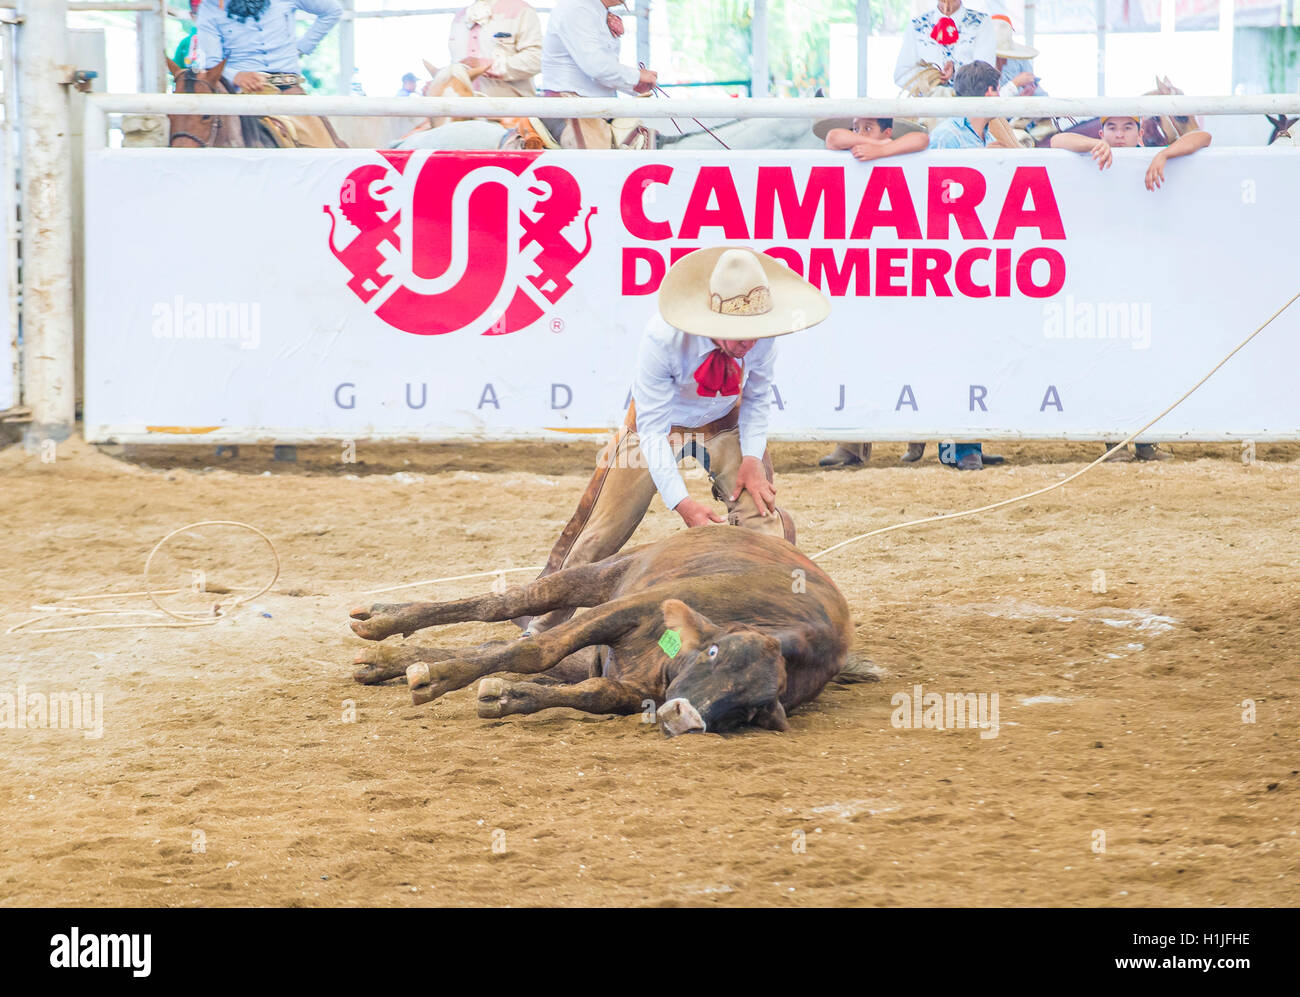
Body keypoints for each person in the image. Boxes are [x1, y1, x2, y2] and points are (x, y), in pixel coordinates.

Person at [519, 248, 830, 635]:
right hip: (659, 426)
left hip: (725, 421)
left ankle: (781, 620)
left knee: (761, 515)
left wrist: (751, 458)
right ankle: (543, 626)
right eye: (741, 333)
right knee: (601, 533)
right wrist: (682, 503)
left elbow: (758, 396)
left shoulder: (762, 335)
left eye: (757, 332)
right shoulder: (663, 338)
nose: (751, 342)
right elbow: (651, 427)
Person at [1052, 114, 1212, 461]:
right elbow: (1056, 141)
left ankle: (1143, 439)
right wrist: (1094, 145)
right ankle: (1114, 439)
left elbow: (1203, 136)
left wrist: (1164, 154)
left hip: (1143, 273)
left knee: (1144, 357)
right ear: (1101, 131)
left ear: (1140, 133)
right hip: (1104, 274)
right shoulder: (1092, 153)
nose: (1119, 135)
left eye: (1127, 128)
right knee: (1109, 355)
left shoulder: (1149, 155)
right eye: (1112, 128)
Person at [809, 115, 930, 469]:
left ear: (887, 132)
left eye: (868, 128)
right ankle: (852, 444)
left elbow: (921, 141)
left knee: (905, 354)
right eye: (857, 127)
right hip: (861, 260)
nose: (859, 134)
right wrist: (877, 146)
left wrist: (881, 151)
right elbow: (832, 136)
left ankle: (917, 429)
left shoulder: (899, 152)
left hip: (897, 259)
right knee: (857, 354)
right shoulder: (852, 148)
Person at [922, 59, 1010, 471]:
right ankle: (957, 443)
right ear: (990, 93)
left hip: (975, 254)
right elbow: (937, 197)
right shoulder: (947, 136)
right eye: (998, 92)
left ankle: (968, 437)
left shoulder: (980, 133)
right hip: (953, 255)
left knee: (973, 347)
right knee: (956, 349)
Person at [195, 0, 344, 147]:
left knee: (325, 150)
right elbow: (211, 64)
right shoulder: (210, 7)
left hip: (287, 90)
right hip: (239, 94)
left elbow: (332, 10)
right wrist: (236, 76)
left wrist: (301, 49)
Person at [539, 0, 657, 149]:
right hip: (571, 107)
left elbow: (600, 68)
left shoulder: (592, 9)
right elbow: (596, 66)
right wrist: (636, 78)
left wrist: (634, 84)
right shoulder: (578, 8)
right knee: (598, 162)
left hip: (593, 107)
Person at [894, 0, 996, 91]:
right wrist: (930, 80)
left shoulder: (981, 23)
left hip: (967, 107)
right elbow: (902, 74)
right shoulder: (917, 25)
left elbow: (986, 74)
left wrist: (957, 72)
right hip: (926, 108)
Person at [449, 0, 543, 98]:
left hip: (510, 108)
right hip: (464, 108)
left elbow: (536, 59)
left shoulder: (522, 11)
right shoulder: (460, 17)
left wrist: (489, 66)